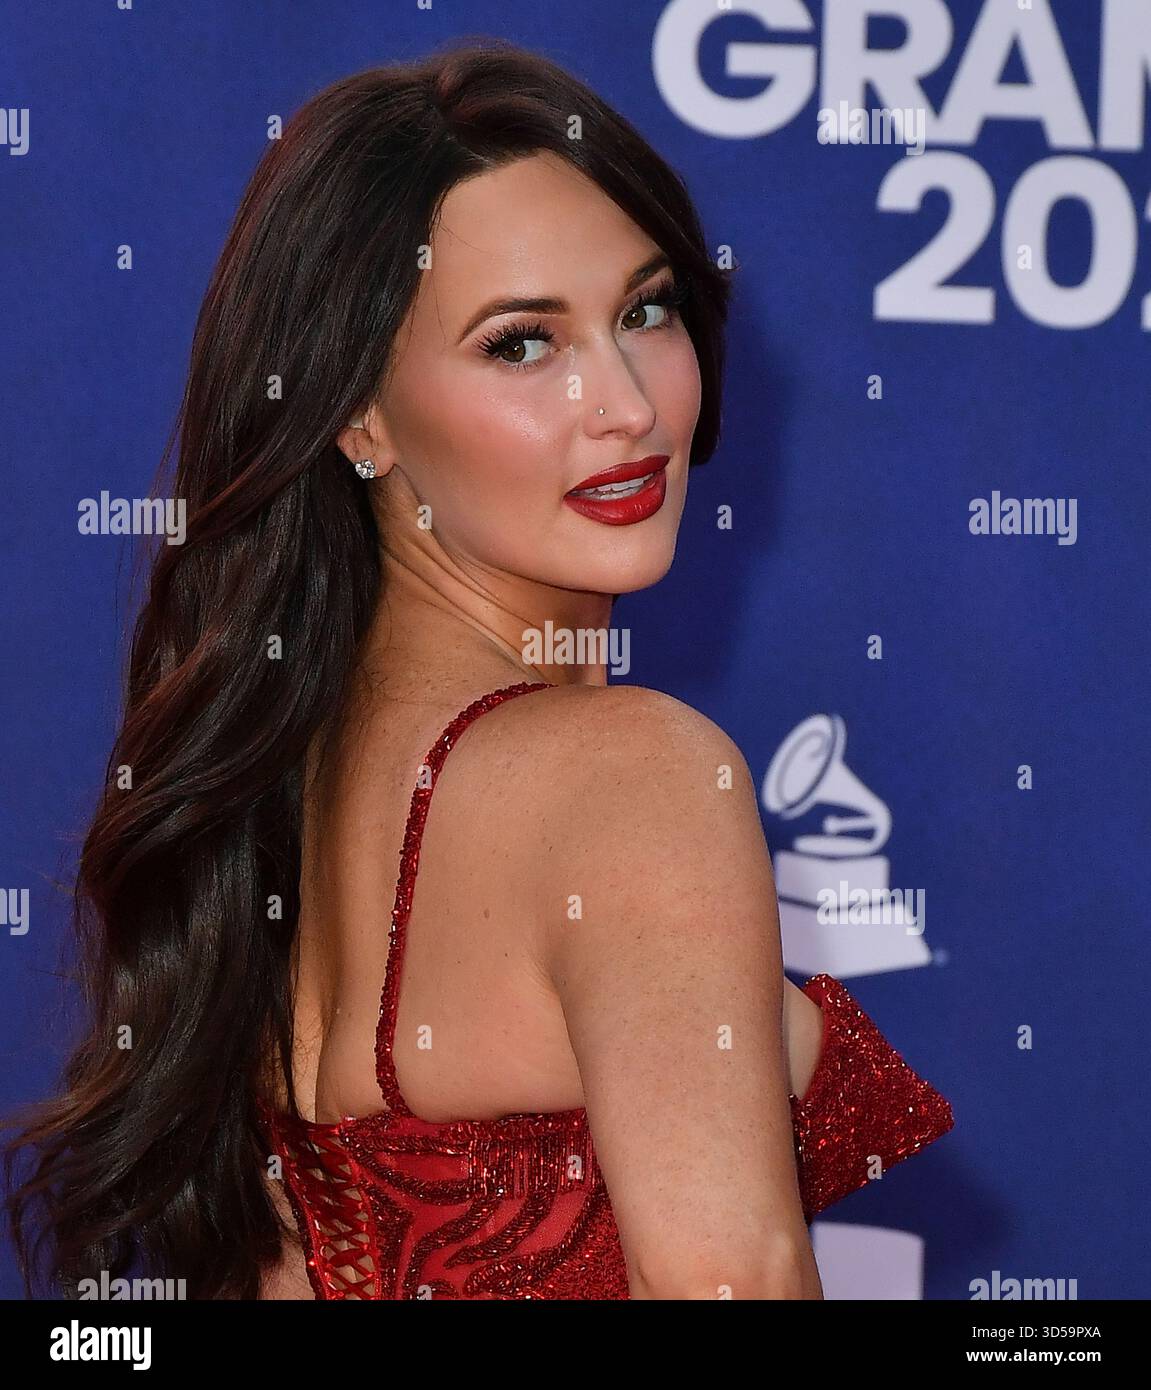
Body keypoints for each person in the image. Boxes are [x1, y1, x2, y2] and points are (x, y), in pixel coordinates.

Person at [3, 38, 952, 1302]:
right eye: (521, 344)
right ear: (359, 414)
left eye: (644, 309)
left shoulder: (274, 799)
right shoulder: (636, 778)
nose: (623, 403)